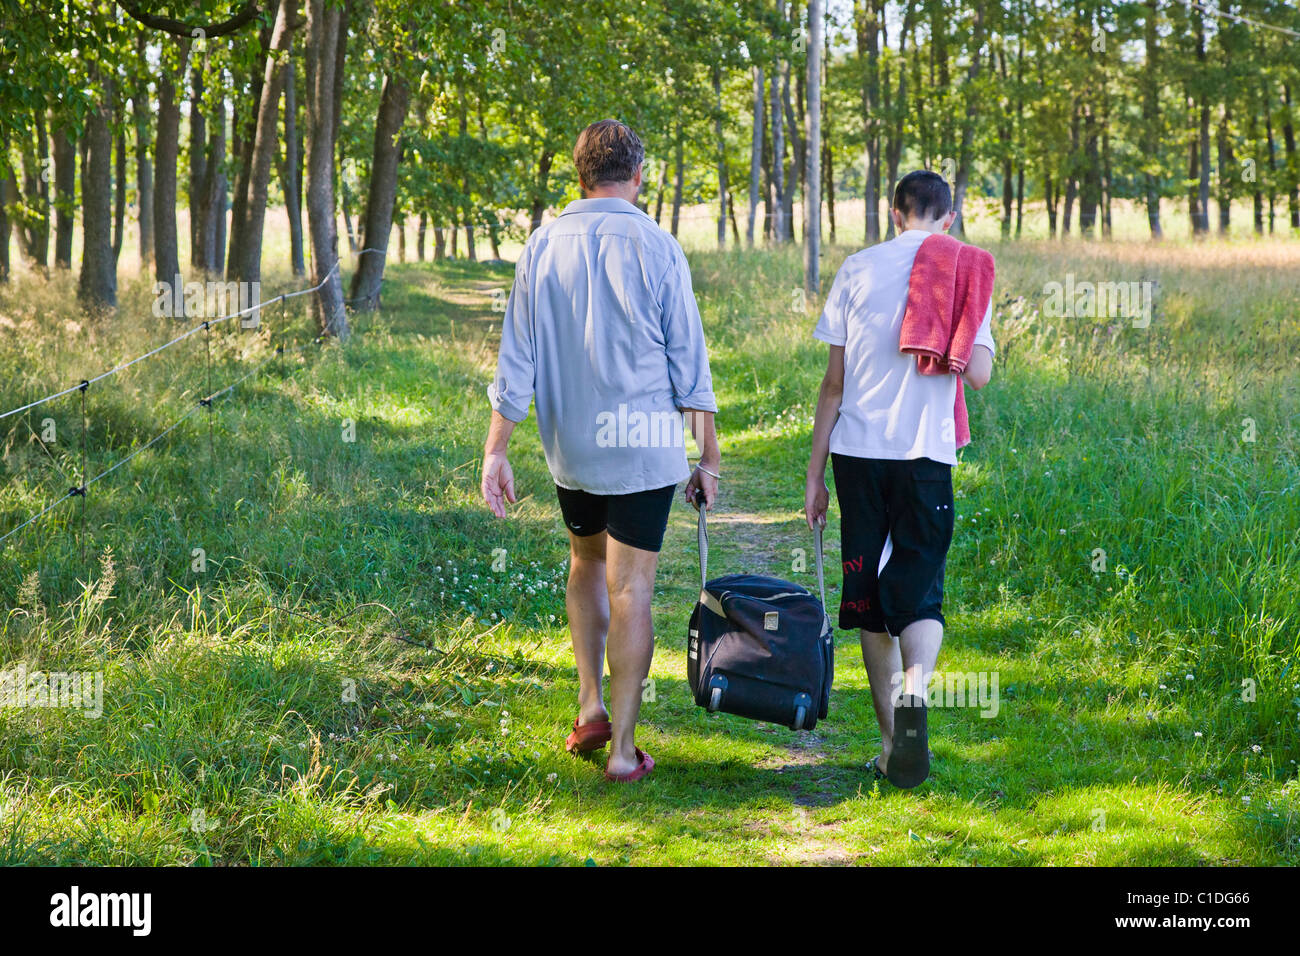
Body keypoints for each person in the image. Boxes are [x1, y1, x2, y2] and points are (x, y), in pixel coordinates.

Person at [480, 119, 720, 783]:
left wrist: (496, 451)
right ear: (637, 176)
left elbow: (517, 360)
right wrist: (708, 457)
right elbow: (689, 366)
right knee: (632, 587)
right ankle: (621, 752)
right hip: (643, 443)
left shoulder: (540, 245)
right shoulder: (659, 245)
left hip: (573, 444)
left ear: (579, 175)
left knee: (585, 563)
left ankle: (589, 705)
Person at [804, 170, 995, 789]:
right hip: (926, 455)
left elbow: (833, 385)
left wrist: (814, 475)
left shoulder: (856, 269)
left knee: (867, 600)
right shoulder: (964, 268)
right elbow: (981, 374)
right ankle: (916, 693)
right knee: (922, 590)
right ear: (949, 218)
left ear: (893, 213)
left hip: (856, 453)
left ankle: (891, 747)